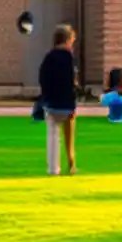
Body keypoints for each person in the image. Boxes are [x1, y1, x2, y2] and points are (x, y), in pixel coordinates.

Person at [39, 24, 78, 176]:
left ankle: (53, 169)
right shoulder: (69, 58)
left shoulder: (49, 57)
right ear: (68, 40)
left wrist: (46, 97)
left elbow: (43, 78)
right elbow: (71, 81)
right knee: (69, 138)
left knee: (52, 136)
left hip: (51, 103)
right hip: (67, 104)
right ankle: (71, 163)